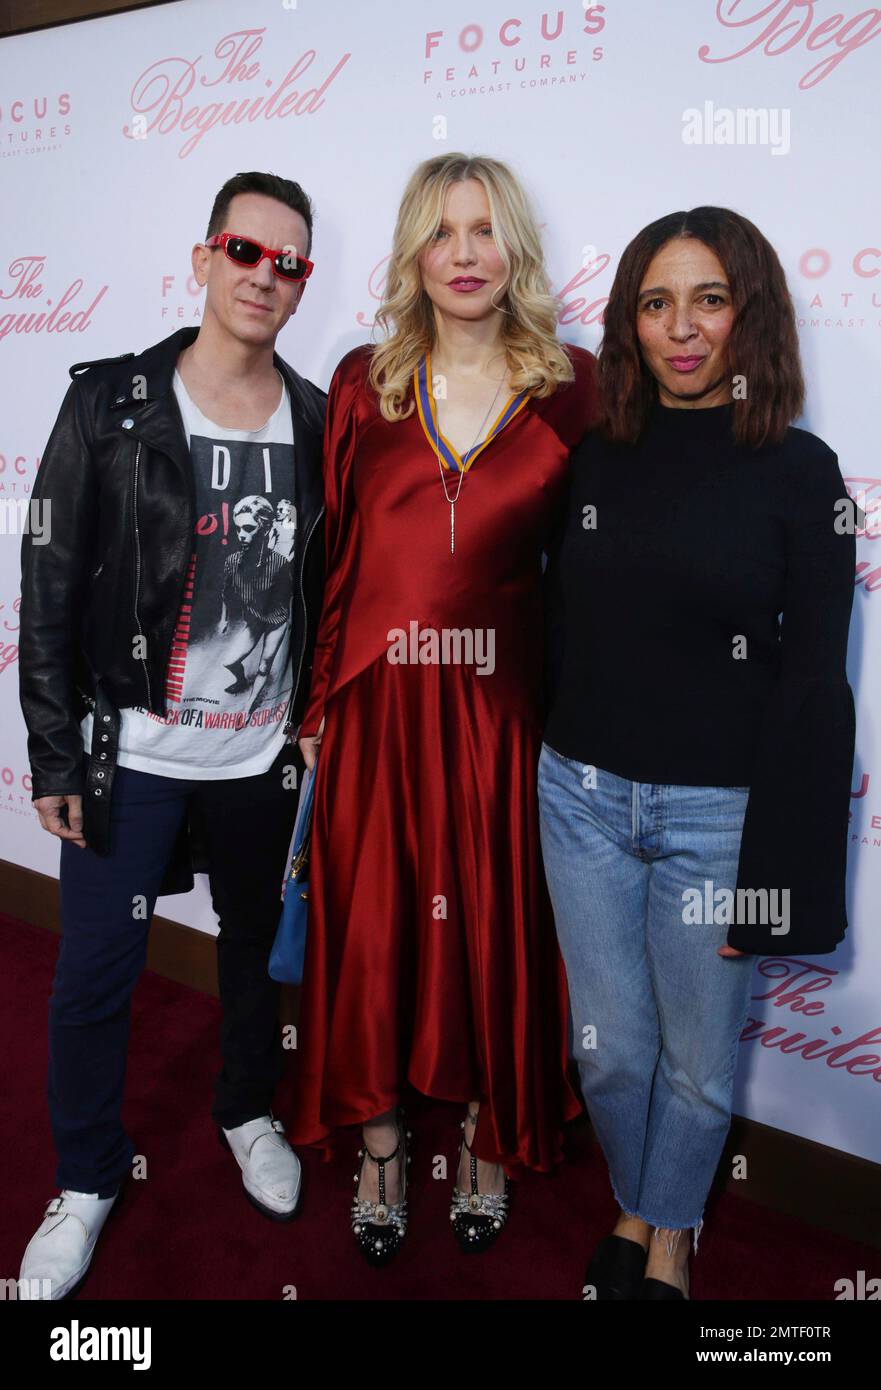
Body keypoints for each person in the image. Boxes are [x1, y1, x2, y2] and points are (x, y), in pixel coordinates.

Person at [17, 171, 328, 1299]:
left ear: (302, 287)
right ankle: (88, 1177)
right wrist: (54, 749)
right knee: (94, 976)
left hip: (258, 757)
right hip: (127, 753)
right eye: (245, 251)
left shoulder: (314, 417)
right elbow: (49, 573)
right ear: (204, 258)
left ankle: (247, 1108)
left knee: (251, 949)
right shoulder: (113, 402)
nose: (263, 276)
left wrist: (313, 723)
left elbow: (326, 592)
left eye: (287, 262)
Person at [537, 206, 856, 1300]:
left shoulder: (801, 475)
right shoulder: (591, 456)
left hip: (718, 822)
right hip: (576, 800)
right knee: (610, 1053)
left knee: (694, 1061)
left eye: (708, 299)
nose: (681, 327)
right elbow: (557, 630)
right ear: (630, 322)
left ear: (746, 316)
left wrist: (776, 887)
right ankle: (647, 1201)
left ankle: (662, 1234)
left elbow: (816, 687)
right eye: (655, 301)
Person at [291, 153, 597, 1264]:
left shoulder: (573, 383)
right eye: (440, 231)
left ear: (510, 246)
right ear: (413, 252)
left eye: (482, 230)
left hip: (500, 716)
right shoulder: (362, 380)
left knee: (489, 925)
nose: (463, 253)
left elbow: (594, 572)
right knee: (373, 927)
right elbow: (335, 556)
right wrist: (317, 703)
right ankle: (379, 1140)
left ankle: (481, 1129)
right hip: (374, 710)